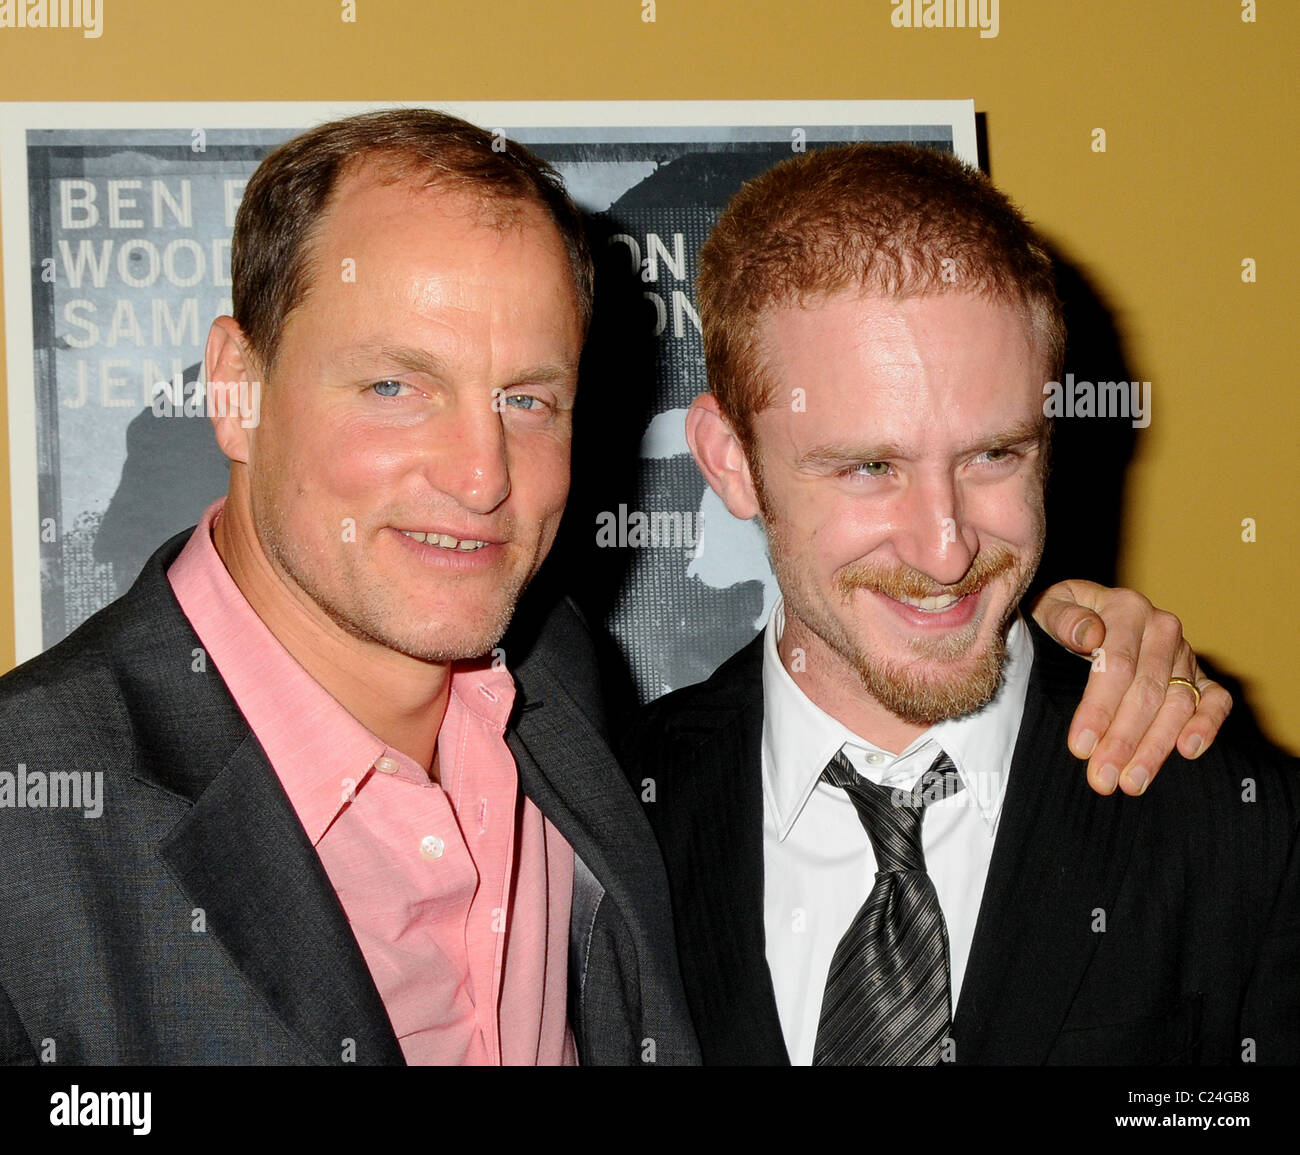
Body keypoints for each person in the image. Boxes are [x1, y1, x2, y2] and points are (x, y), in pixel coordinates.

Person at [0, 110, 1233, 1067]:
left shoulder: (561, 692)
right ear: (238, 386)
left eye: (527, 399)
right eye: (394, 386)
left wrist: (1058, 631)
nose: (480, 477)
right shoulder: (30, 832)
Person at [624, 143, 1299, 1065]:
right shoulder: (603, 823)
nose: (946, 548)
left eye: (995, 456)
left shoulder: (1239, 826)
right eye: (869, 467)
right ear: (731, 461)